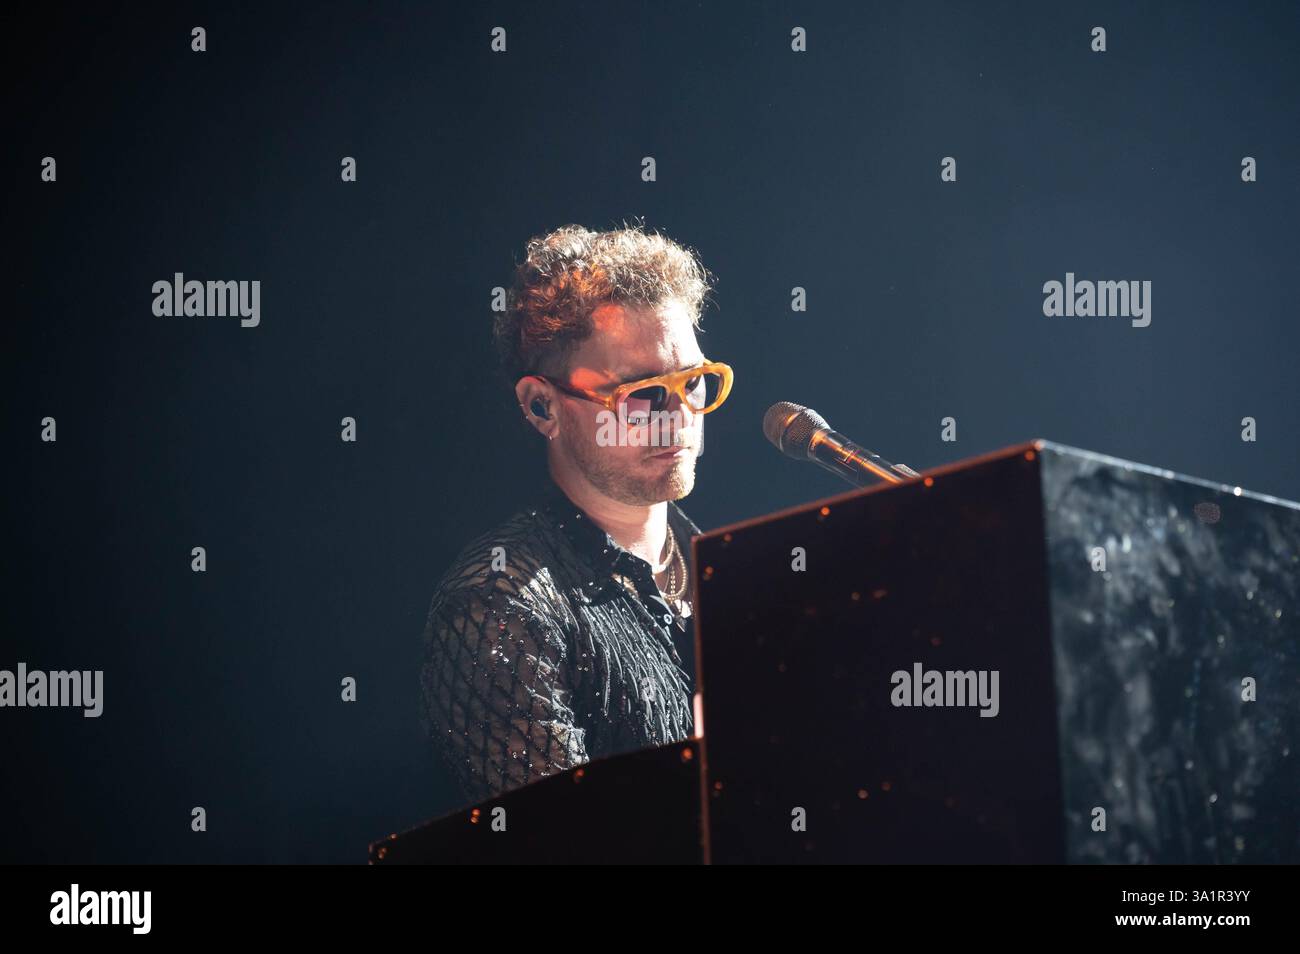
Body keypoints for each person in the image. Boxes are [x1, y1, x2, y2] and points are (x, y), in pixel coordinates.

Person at [420, 222, 734, 806]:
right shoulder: (496, 602)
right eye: (641, 394)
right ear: (542, 406)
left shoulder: (734, 573)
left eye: (694, 382)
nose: (679, 417)